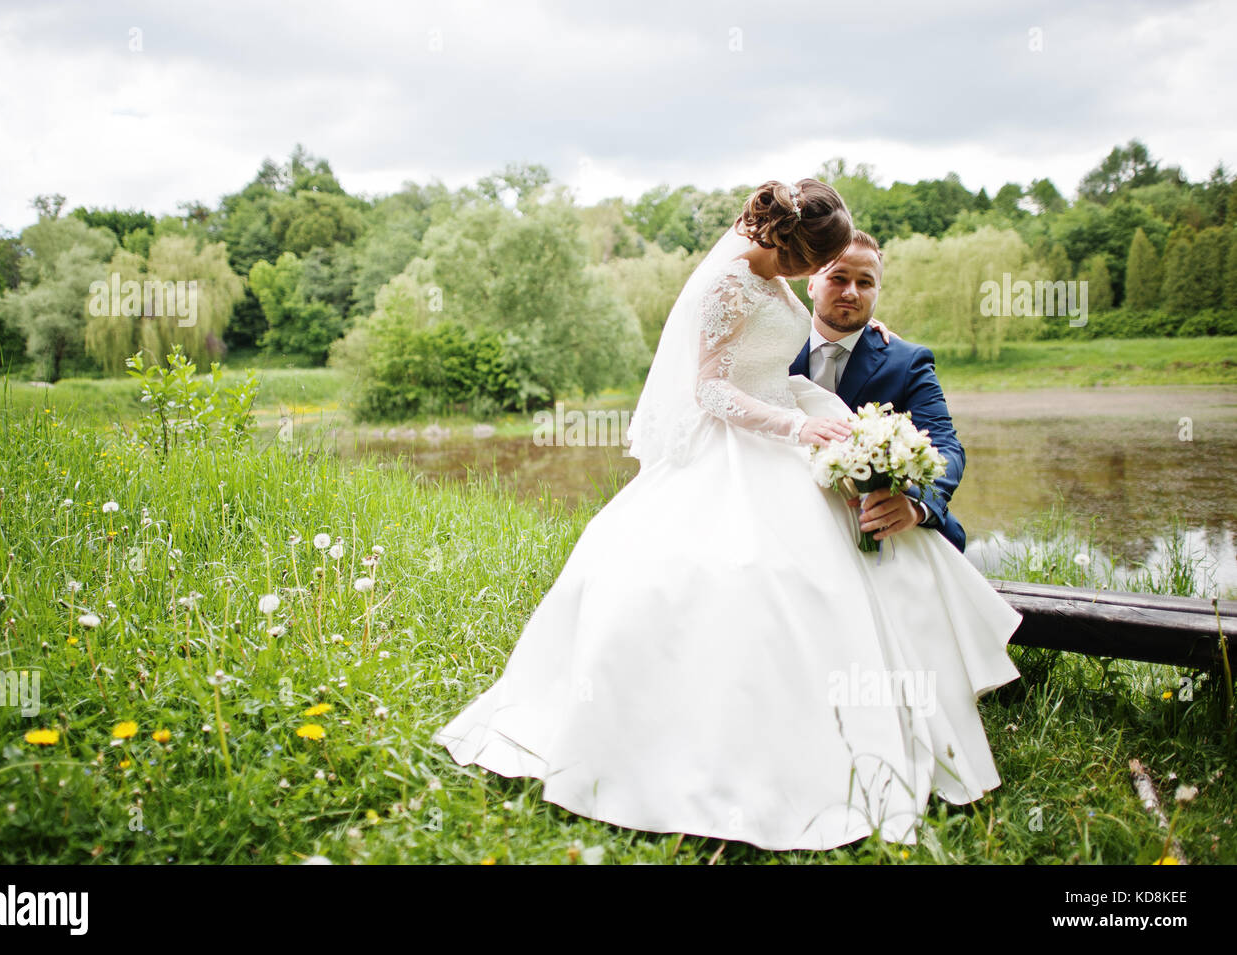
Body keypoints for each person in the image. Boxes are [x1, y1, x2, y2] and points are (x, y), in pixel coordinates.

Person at [432, 179, 1022, 851]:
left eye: (860, 281)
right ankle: (719, 747)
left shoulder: (786, 284)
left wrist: (843, 377)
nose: (835, 286)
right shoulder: (728, 281)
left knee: (842, 576)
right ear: (803, 255)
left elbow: (785, 353)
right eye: (827, 272)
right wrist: (796, 429)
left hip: (789, 435)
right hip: (744, 445)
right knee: (743, 573)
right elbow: (711, 385)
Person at [789, 231, 968, 551]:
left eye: (865, 283)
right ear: (811, 283)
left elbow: (946, 446)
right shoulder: (773, 352)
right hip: (788, 524)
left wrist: (916, 505)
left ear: (878, 290)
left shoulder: (908, 362)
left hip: (875, 531)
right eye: (838, 278)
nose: (851, 292)